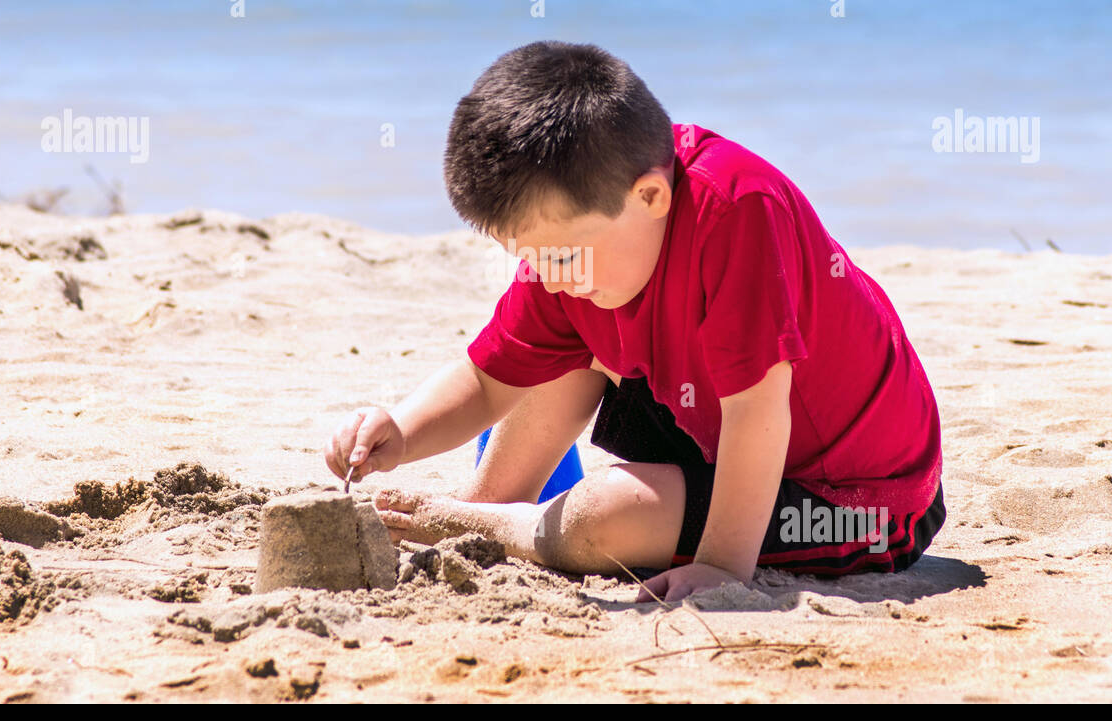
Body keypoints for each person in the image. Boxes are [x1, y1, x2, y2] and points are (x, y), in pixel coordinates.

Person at [324, 40, 945, 603]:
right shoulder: (574, 251)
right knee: (566, 349)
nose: (548, 274)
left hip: (853, 497)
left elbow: (758, 411)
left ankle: (491, 526)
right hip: (710, 428)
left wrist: (723, 568)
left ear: (651, 196)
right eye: (527, 256)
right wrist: (400, 430)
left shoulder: (738, 211)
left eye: (559, 254)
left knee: (602, 517)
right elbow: (488, 381)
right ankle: (486, 508)